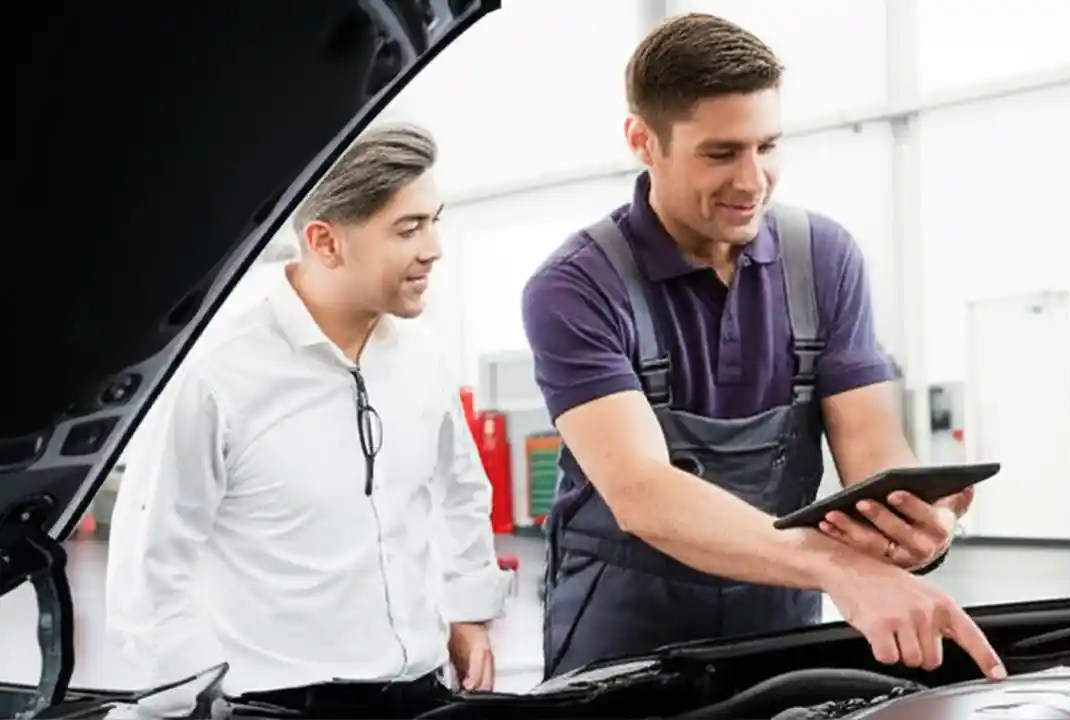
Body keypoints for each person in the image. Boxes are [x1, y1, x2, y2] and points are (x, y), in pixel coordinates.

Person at [521, 13, 1003, 681]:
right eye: (720, 153)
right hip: (621, 634)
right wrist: (838, 566)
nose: (753, 182)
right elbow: (643, 492)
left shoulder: (823, 259)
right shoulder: (576, 286)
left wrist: (912, 528)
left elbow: (873, 453)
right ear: (643, 141)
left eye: (767, 146)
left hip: (775, 627)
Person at [105, 123, 509, 718]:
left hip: (425, 694)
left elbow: (460, 493)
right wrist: (186, 697)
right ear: (325, 242)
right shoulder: (219, 380)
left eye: (435, 219)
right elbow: (150, 566)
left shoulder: (423, 360)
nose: (435, 247)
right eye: (409, 228)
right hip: (281, 704)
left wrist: (467, 612)